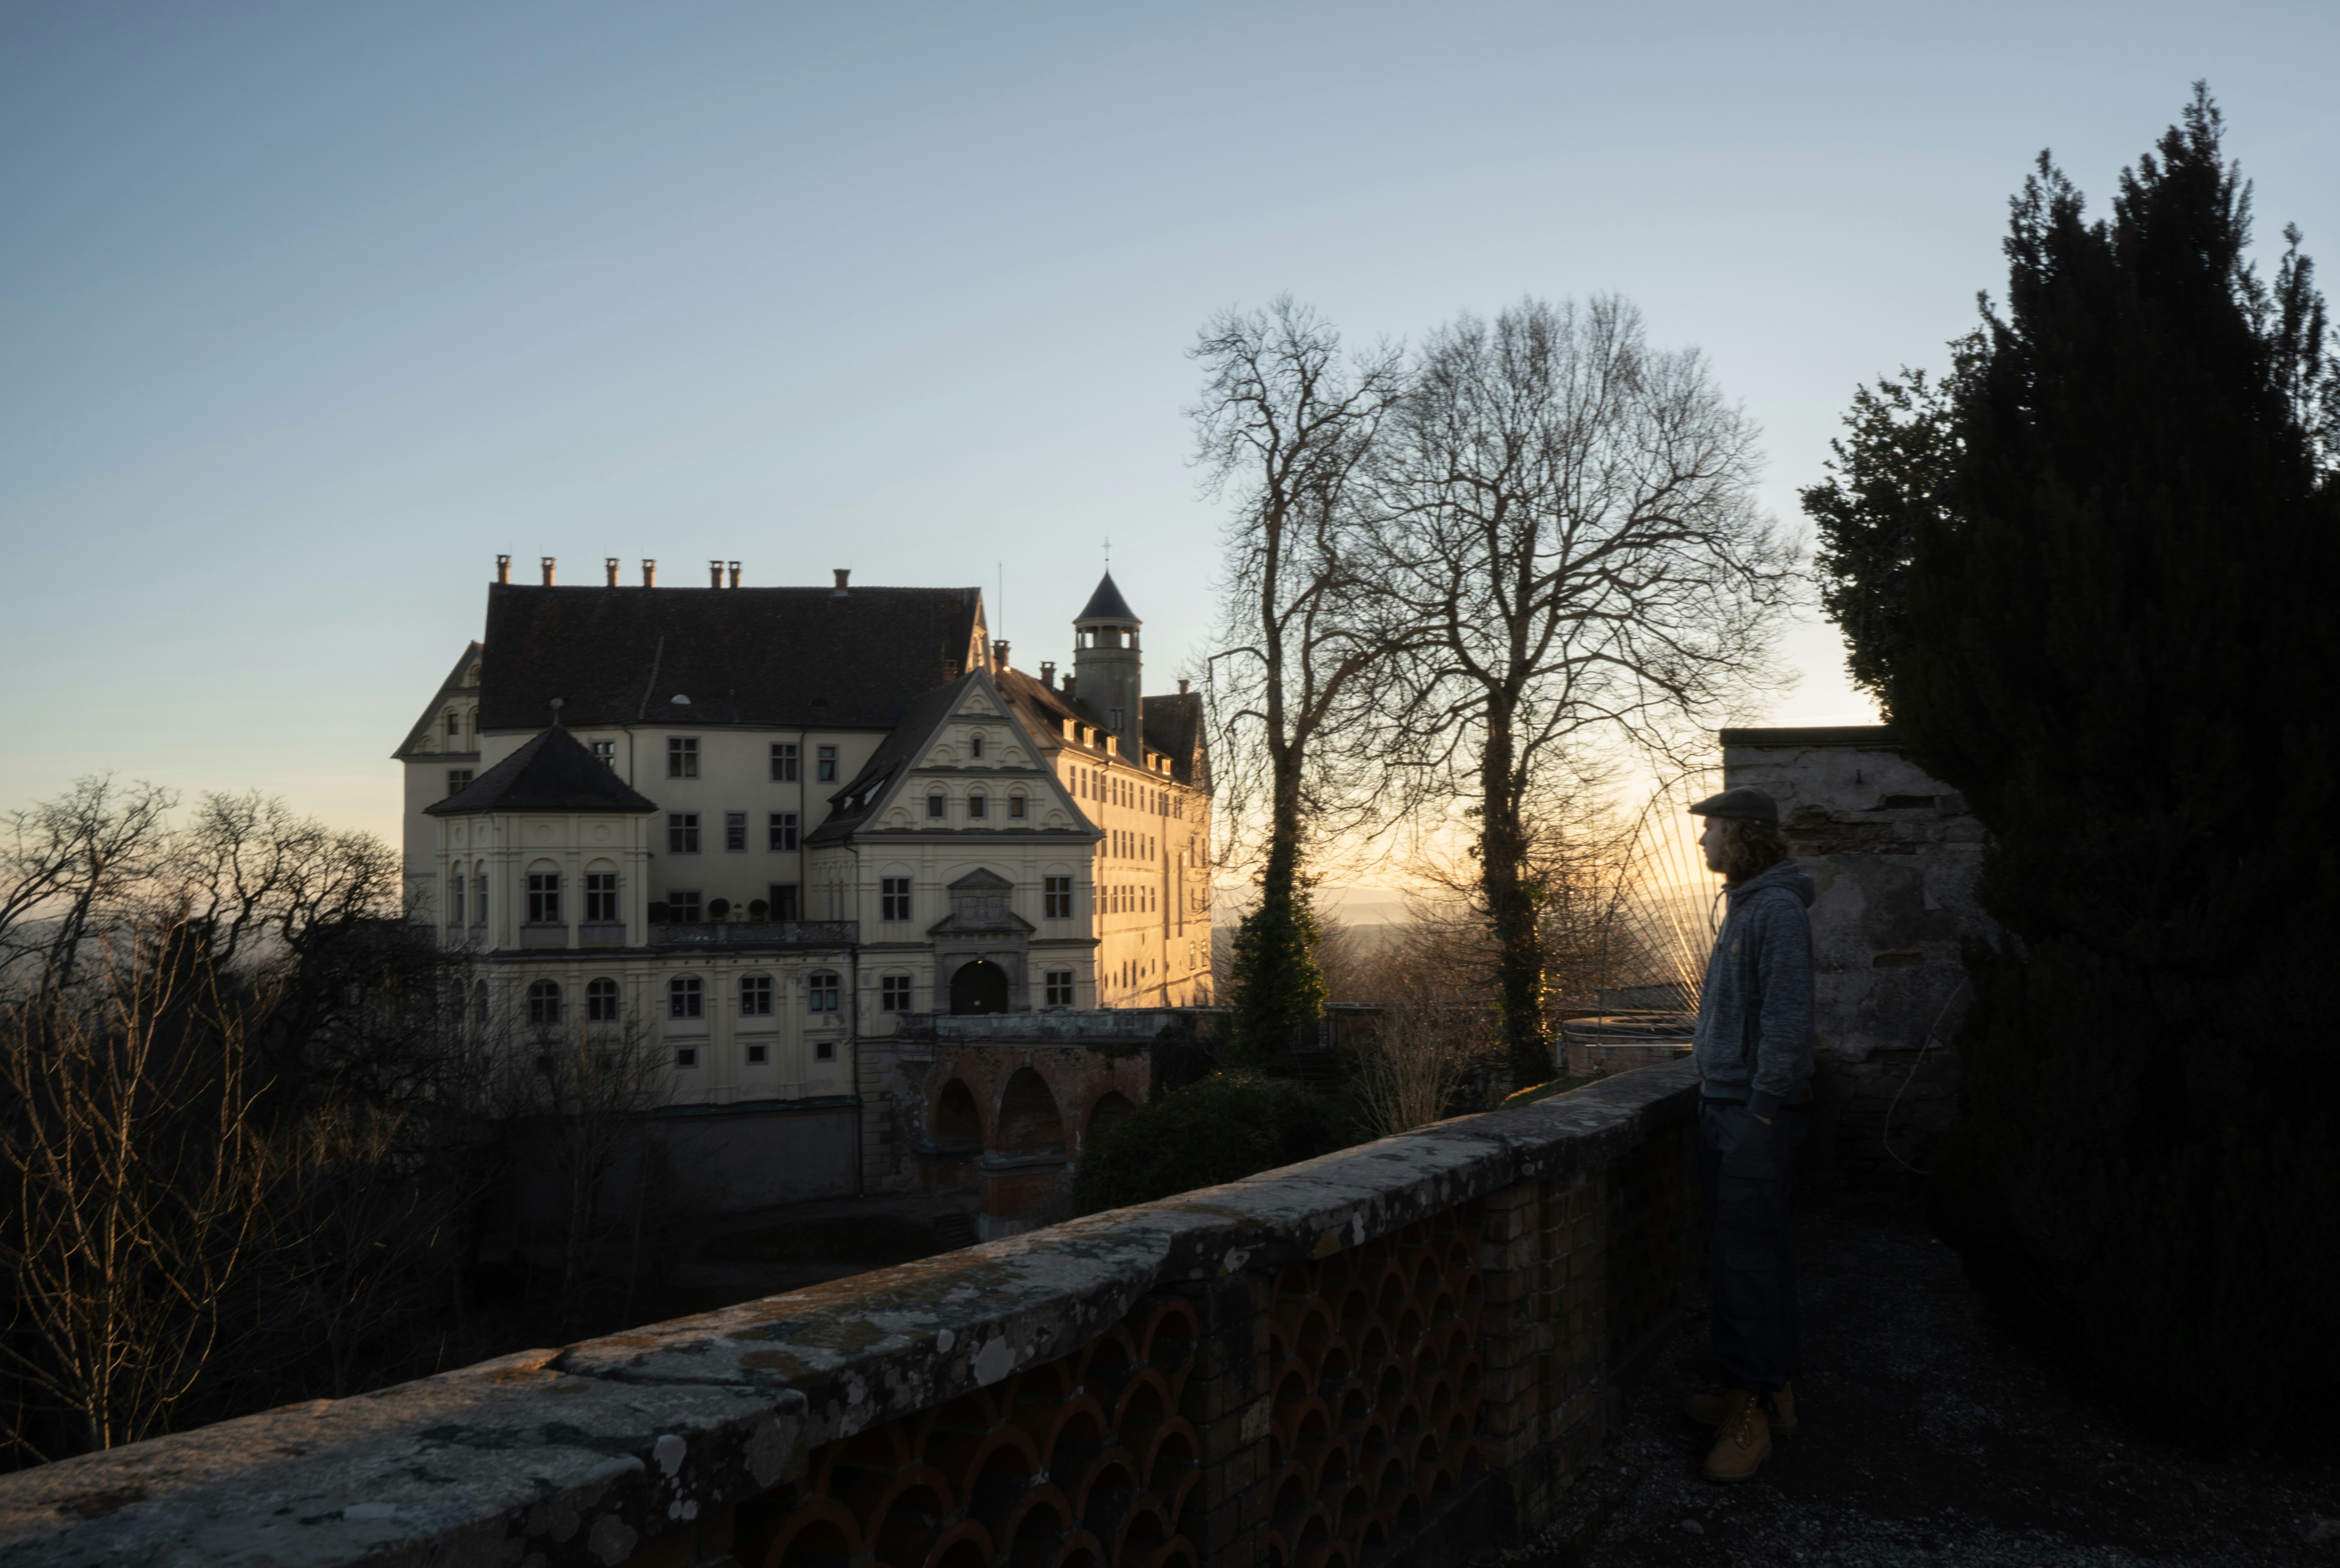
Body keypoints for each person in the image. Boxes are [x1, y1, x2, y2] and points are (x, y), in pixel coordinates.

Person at [1682, 784, 1815, 1483]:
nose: (1702, 842)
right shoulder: (1747, 908)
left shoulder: (1775, 910)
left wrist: (1761, 1111)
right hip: (1729, 1107)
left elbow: (1788, 1022)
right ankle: (1768, 1393)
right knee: (1750, 1256)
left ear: (1743, 835)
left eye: (1712, 831)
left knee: (1747, 1265)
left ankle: (1752, 1416)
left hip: (1751, 1115)